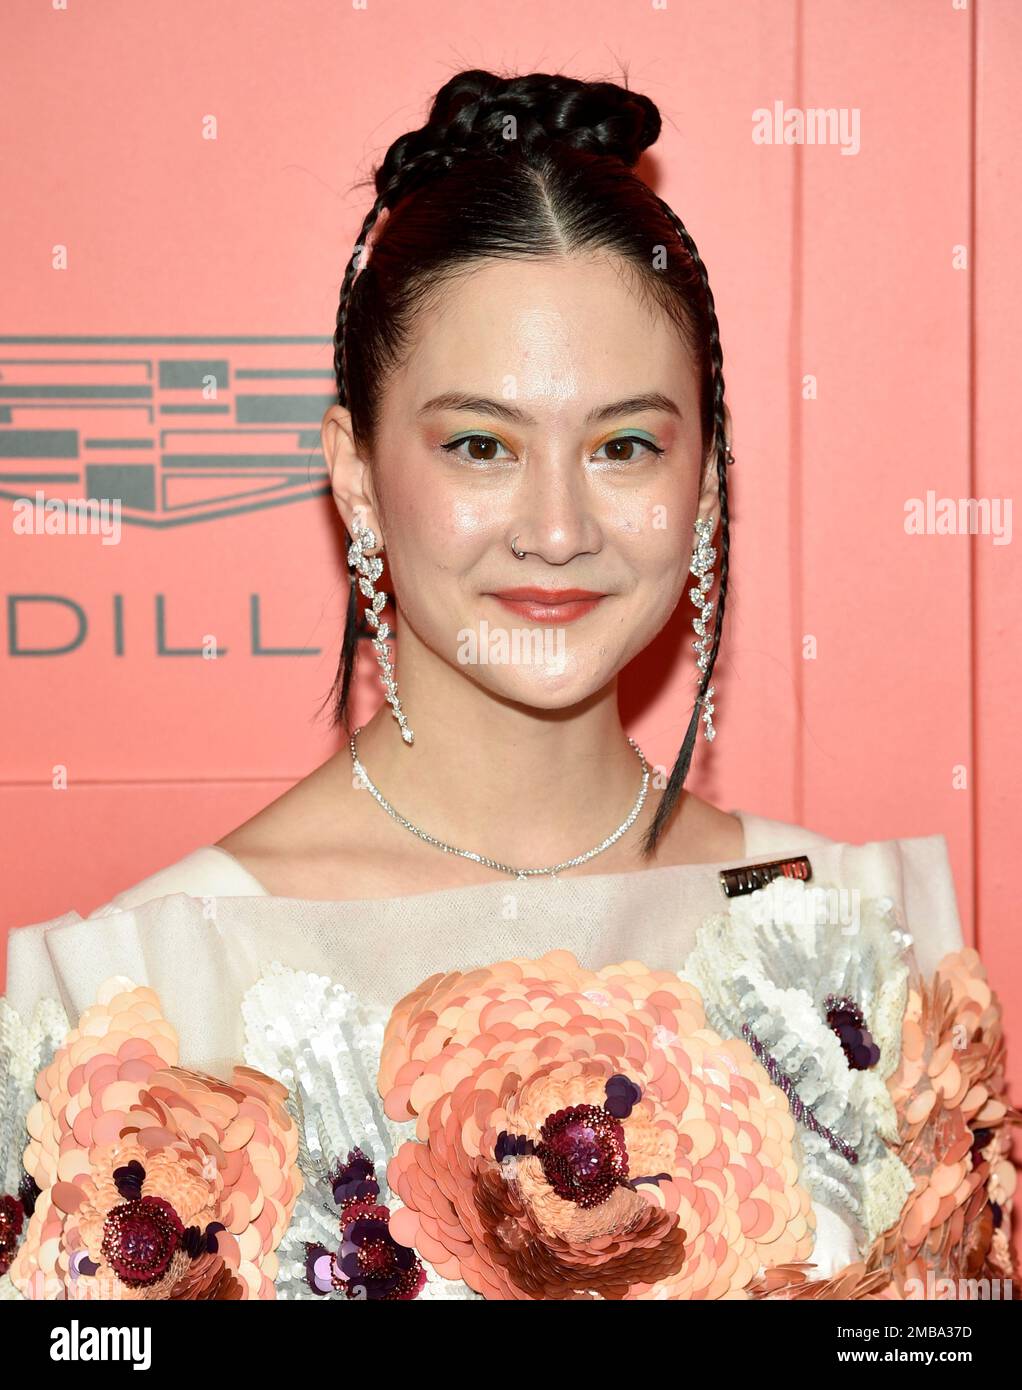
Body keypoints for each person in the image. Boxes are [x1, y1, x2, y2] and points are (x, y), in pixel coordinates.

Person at [1, 69, 1016, 1303]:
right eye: (480, 443)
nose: (554, 527)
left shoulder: (867, 956)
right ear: (358, 473)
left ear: (704, 481)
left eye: (623, 445)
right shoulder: (145, 1005)